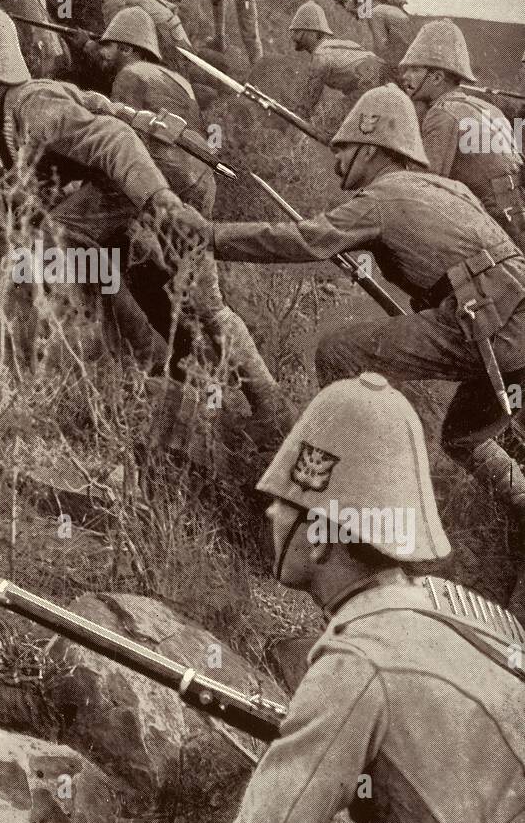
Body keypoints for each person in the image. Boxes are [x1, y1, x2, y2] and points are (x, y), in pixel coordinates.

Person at [197, 371, 525, 823]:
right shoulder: (466, 613)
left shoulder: (356, 660)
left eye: (289, 502)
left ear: (324, 538)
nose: (272, 512)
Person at [209, 84, 525, 524]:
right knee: (462, 437)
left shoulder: (383, 197)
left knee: (339, 352)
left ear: (374, 151)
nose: (336, 160)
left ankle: (337, 498)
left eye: (345, 149)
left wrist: (210, 236)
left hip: (491, 326)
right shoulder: (449, 189)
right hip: (508, 324)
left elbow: (302, 240)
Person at [0, 4, 209, 366]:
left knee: (58, 244)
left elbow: (113, 139)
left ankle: (147, 357)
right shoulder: (2, 111)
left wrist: (160, 200)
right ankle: (181, 355)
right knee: (117, 262)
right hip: (122, 184)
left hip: (133, 177)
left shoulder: (33, 106)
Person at [97, 6, 281, 413]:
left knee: (91, 252)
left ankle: (142, 367)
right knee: (205, 302)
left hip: (166, 190)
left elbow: (118, 141)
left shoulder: (130, 77)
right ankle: (264, 395)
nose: (101, 52)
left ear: (129, 47)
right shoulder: (176, 79)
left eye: (108, 45)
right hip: (198, 191)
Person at [400, 18, 525, 248]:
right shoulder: (490, 109)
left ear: (437, 77)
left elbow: (423, 188)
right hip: (517, 213)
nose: (405, 76)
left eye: (414, 69)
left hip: (489, 223)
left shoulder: (442, 114)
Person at [289, 0, 387, 111]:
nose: (293, 37)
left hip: (374, 79)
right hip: (380, 77)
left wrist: (298, 113)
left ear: (312, 33)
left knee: (333, 118)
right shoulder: (334, 47)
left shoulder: (321, 55)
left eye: (297, 32)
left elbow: (310, 98)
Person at [359, 0, 415, 68]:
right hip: (409, 59)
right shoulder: (394, 10)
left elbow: (381, 44)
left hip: (393, 63)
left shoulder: (376, 12)